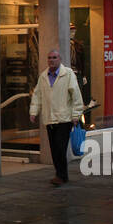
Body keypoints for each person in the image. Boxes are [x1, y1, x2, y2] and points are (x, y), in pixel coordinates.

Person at [29, 49, 84, 186]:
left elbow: (76, 94)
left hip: (64, 119)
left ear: (60, 59)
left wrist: (76, 114)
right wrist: (33, 111)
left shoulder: (68, 74)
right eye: (49, 58)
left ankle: (60, 175)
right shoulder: (43, 76)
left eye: (54, 57)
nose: (51, 60)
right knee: (54, 149)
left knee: (60, 147)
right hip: (49, 118)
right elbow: (37, 95)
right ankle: (61, 175)